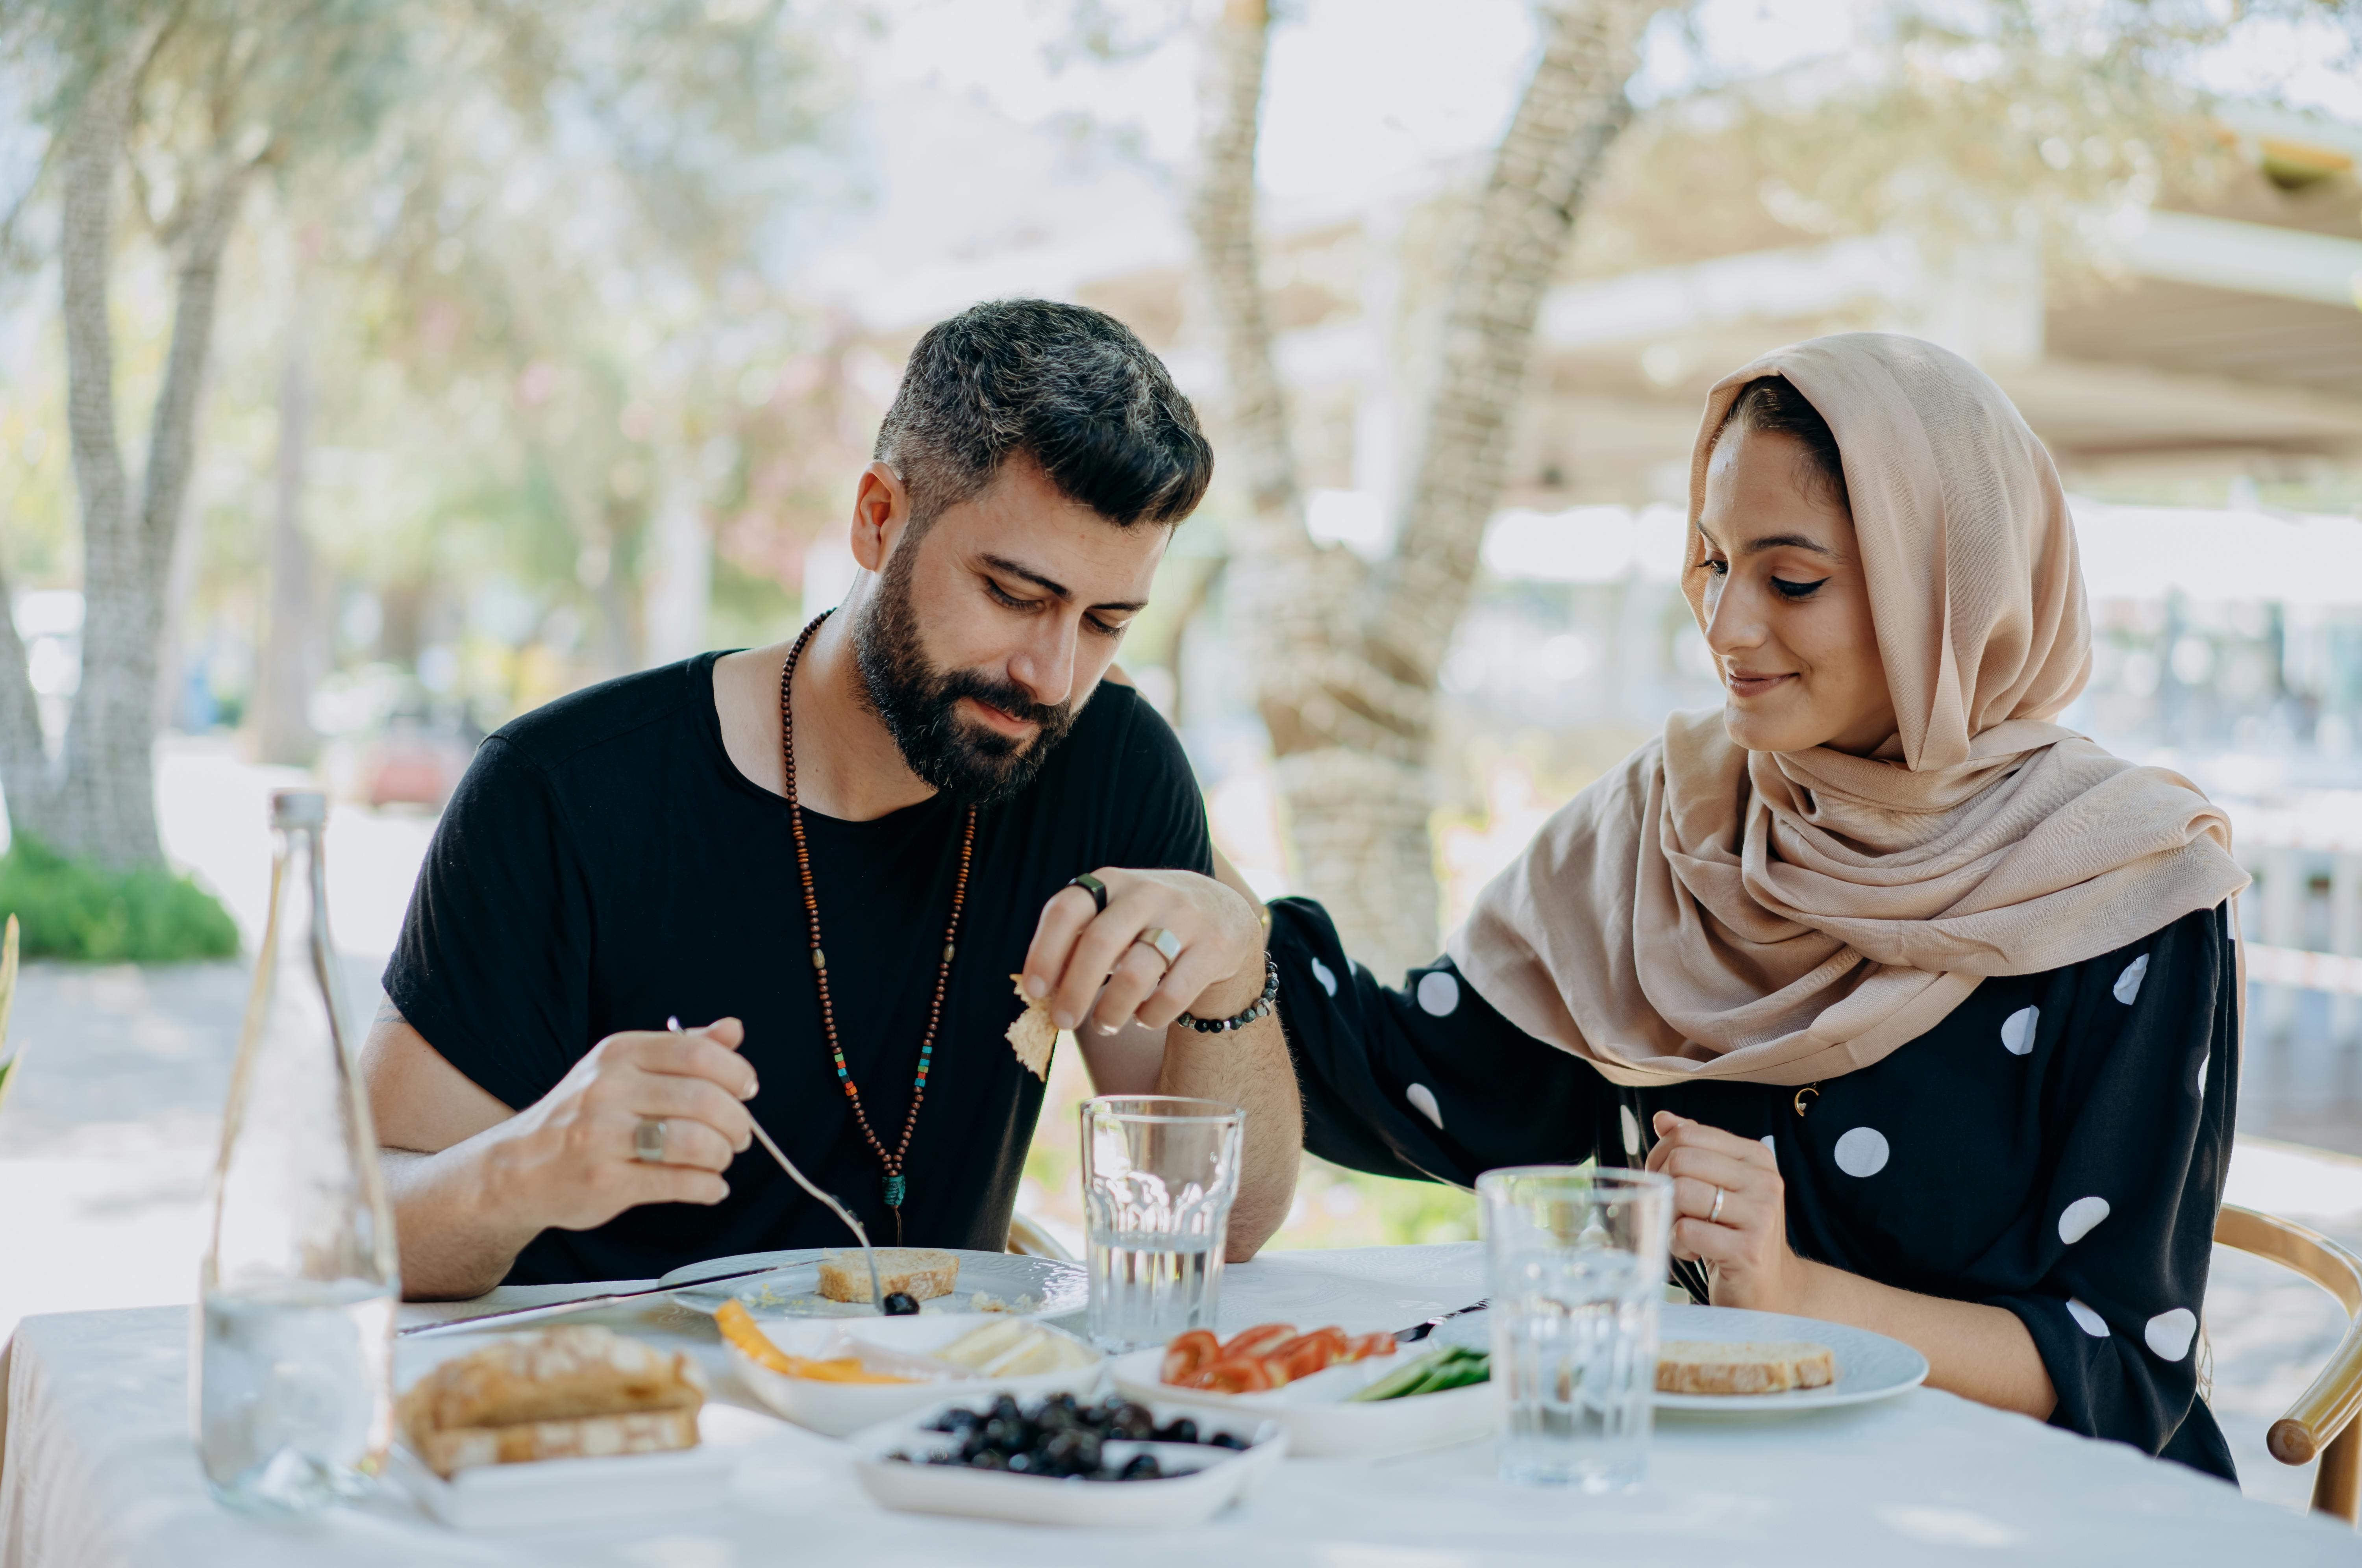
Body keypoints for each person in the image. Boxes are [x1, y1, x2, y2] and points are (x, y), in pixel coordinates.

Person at [1273, 333, 2249, 1477]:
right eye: (1712, 561)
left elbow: (2122, 1370)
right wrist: (1216, 927)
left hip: (2019, 1516)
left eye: (1792, 581)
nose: (1727, 625)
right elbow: (1439, 1085)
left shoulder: (2127, 883)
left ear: (1943, 590)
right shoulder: (1667, 825)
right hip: (1715, 1491)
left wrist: (1792, 1291)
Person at [363, 298, 1301, 1297]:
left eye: (1107, 621)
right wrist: (527, 1164)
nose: (1053, 674)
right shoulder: (560, 791)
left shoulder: (1107, 763)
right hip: (620, 1388)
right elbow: (363, 1227)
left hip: (944, 1393)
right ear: (877, 517)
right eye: (1014, 595)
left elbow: (1224, 1227)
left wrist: (1235, 966)